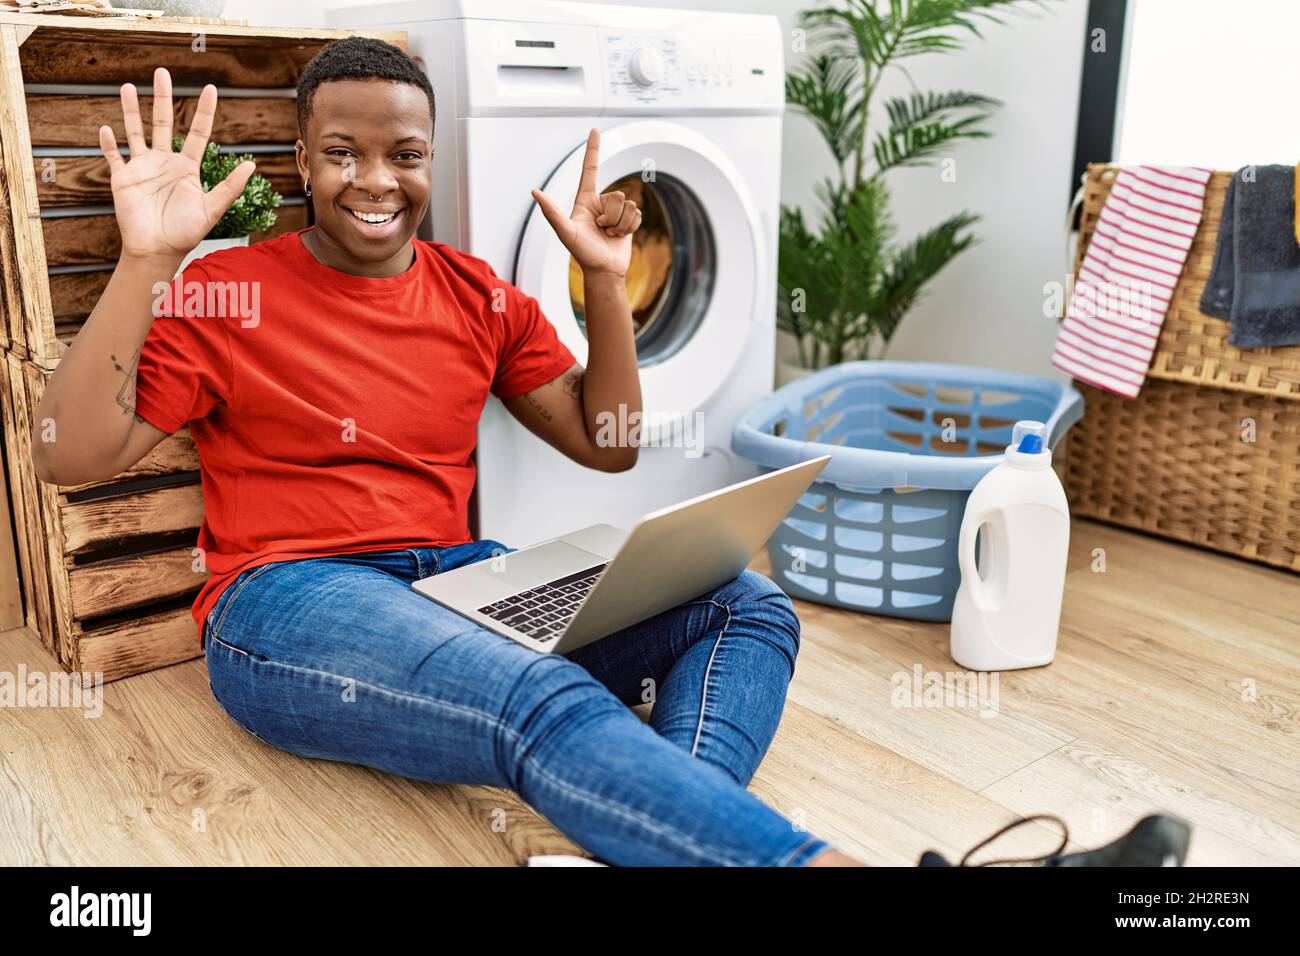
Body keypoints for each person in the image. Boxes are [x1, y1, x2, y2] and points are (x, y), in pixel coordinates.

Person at [31, 38, 1190, 868]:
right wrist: (144, 262)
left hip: (459, 577)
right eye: (343, 153)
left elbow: (610, 444)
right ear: (300, 157)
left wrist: (600, 281)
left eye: (403, 153)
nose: (376, 181)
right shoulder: (230, 288)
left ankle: (644, 839)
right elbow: (70, 457)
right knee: (536, 697)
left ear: (432, 156)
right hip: (285, 605)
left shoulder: (476, 293)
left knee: (744, 602)